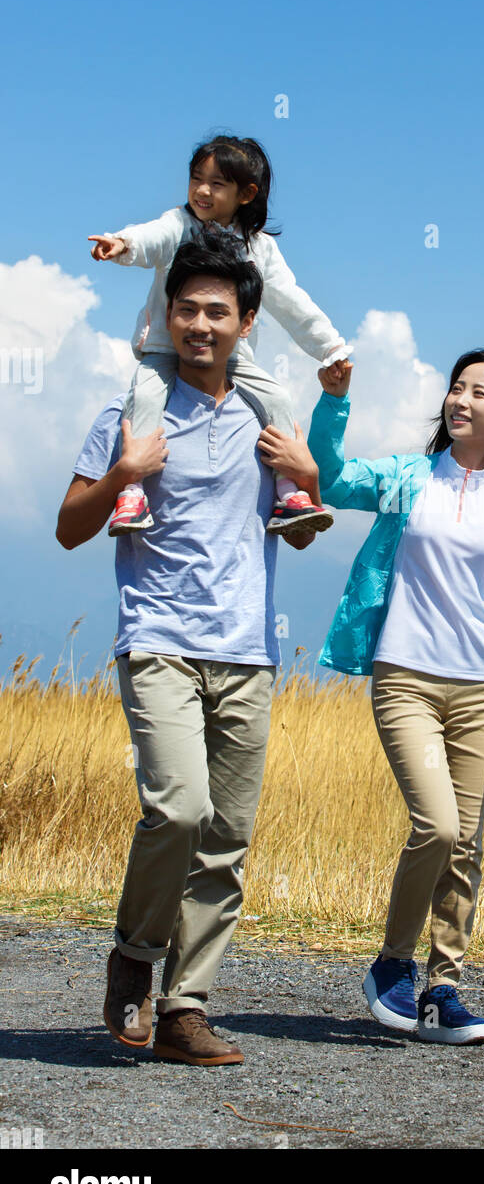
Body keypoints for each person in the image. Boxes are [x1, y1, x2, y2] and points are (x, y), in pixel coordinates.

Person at [56, 225, 318, 1066]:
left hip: (247, 651)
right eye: (185, 309)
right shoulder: (129, 413)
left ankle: (185, 1008)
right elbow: (69, 529)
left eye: (217, 311)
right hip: (159, 640)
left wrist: (308, 477)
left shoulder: (266, 414)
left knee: (227, 836)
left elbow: (304, 534)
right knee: (179, 809)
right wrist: (123, 475)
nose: (199, 324)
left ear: (246, 322)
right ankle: (135, 954)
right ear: (167, 317)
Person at [270, 349, 484, 1044]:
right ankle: (392, 965)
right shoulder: (410, 478)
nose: (460, 399)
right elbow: (335, 477)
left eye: (480, 392)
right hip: (405, 676)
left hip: (476, 687)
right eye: (456, 387)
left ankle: (444, 989)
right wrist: (334, 403)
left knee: (467, 844)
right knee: (438, 827)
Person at [88, 133, 353, 538]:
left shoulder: (258, 248)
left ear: (246, 193)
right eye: (196, 179)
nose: (202, 191)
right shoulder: (178, 224)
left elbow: (289, 301)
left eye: (216, 183)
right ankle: (132, 491)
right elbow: (150, 237)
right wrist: (122, 243)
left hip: (234, 358)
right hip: (164, 349)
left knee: (278, 398)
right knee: (144, 398)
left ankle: (286, 491)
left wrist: (329, 347)